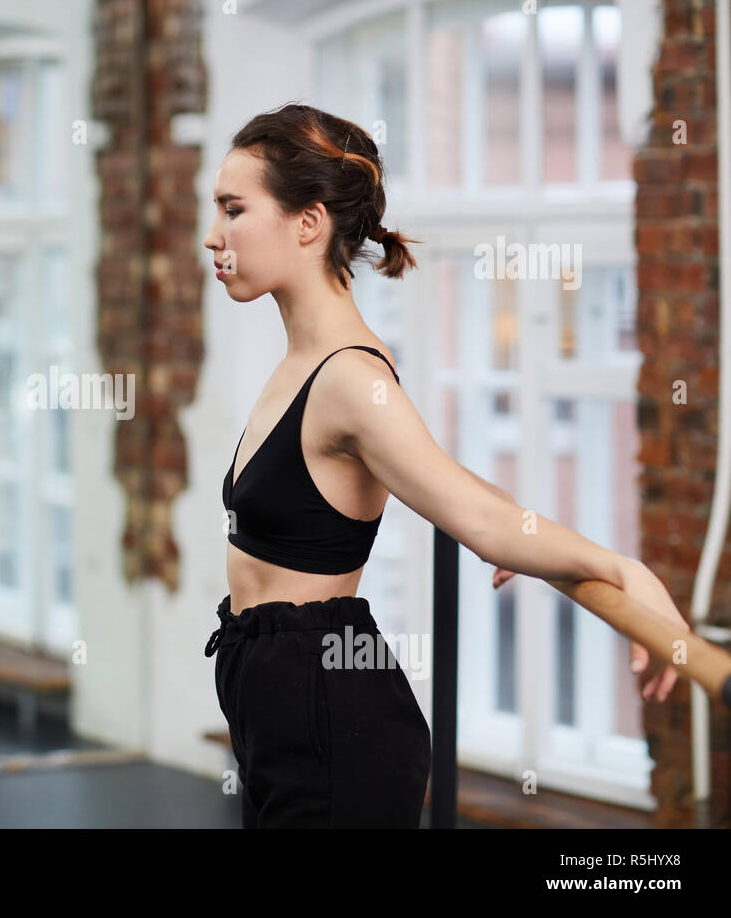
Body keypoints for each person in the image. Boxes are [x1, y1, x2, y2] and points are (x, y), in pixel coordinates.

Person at [201, 102, 687, 828]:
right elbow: (430, 467)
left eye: (233, 210)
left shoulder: (346, 378)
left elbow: (483, 521)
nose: (214, 238)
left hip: (331, 722)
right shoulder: (307, 364)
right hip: (275, 713)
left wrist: (623, 570)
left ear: (308, 223)